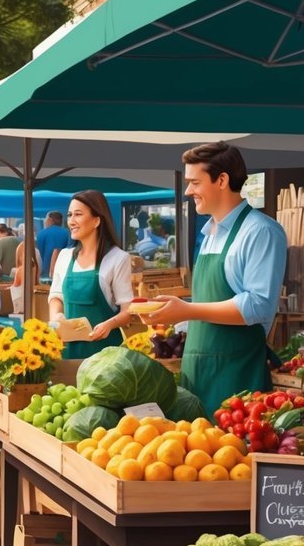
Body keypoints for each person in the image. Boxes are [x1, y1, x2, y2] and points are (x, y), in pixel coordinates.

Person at [144, 142, 286, 413]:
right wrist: (173, 317)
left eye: (195, 182)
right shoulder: (210, 233)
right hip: (197, 375)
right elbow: (208, 305)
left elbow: (257, 305)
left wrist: (187, 309)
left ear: (222, 180)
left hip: (237, 380)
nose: (188, 191)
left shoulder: (261, 232)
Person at [48, 191, 133, 358]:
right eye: (70, 215)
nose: (71, 221)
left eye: (78, 215)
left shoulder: (118, 258)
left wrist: (109, 325)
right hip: (68, 352)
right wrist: (56, 316)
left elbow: (128, 311)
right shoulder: (65, 256)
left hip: (105, 353)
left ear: (96, 220)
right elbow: (56, 296)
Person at [11, 240, 44, 316]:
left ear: (19, 257)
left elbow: (15, 286)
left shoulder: (19, 270)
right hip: (33, 301)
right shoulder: (35, 268)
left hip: (22, 304)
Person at [37, 210, 71, 276]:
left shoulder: (41, 234)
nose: (44, 221)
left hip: (44, 273)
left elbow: (38, 255)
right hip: (64, 272)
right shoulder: (69, 234)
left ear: (50, 220)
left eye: (45, 219)